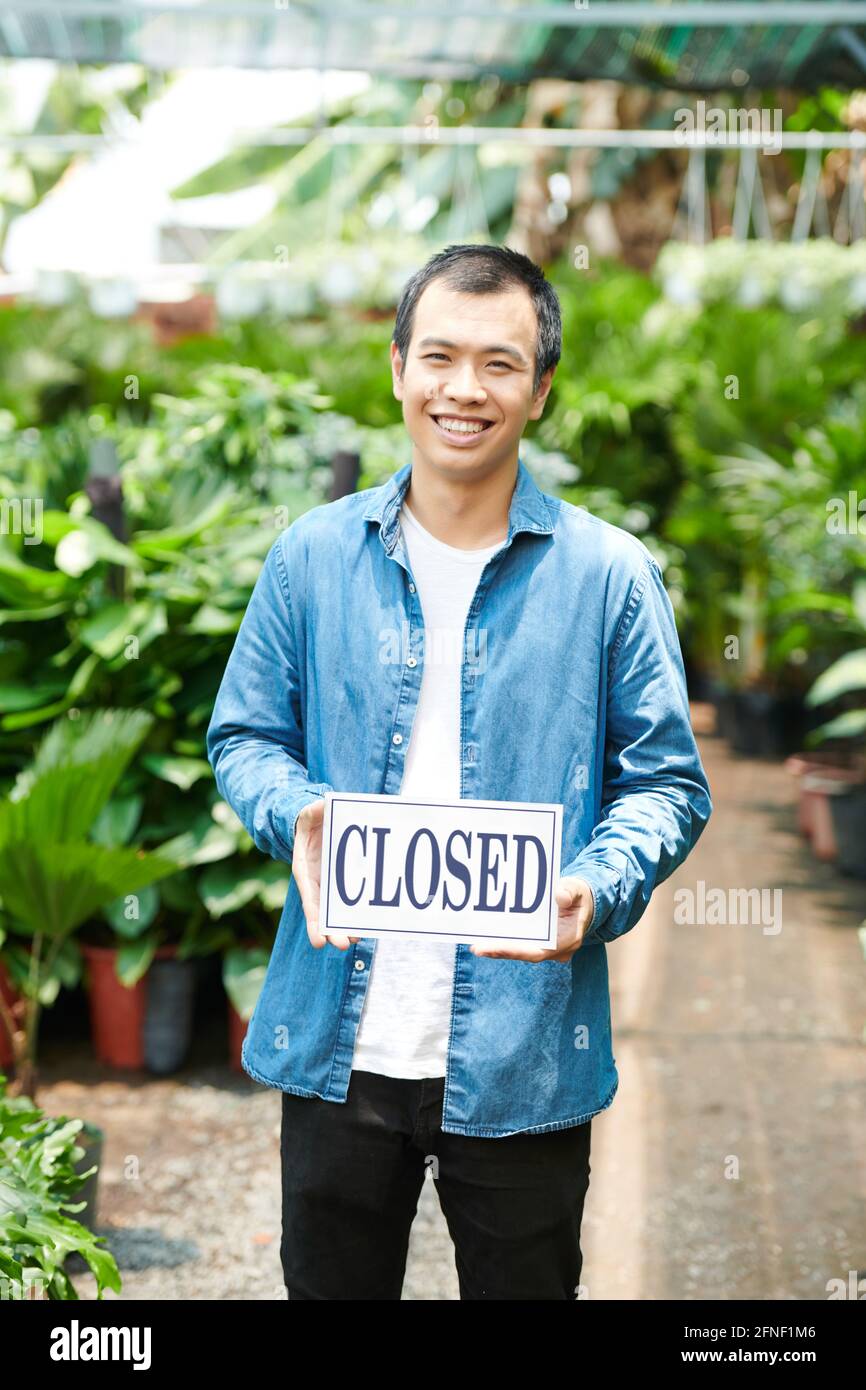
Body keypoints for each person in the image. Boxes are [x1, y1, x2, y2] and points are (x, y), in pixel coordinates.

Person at [206, 242, 713, 1300]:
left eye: (497, 363)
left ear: (539, 388)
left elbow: (666, 782)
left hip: (525, 1049)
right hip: (340, 1044)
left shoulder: (610, 577)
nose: (462, 389)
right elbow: (243, 736)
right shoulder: (309, 556)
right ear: (396, 368)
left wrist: (595, 883)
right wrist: (298, 816)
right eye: (438, 356)